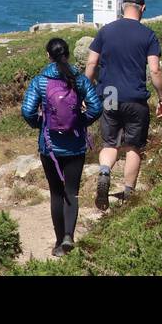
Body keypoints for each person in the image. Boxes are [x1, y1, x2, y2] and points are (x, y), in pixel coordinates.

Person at [85, 0, 162, 210]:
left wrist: (85, 91)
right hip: (134, 97)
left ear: (122, 7)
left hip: (109, 94)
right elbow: (155, 70)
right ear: (143, 8)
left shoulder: (106, 31)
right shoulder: (148, 35)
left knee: (110, 143)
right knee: (132, 146)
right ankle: (129, 193)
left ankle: (104, 171)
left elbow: (92, 64)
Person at [21, 37, 103, 256]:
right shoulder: (79, 79)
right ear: (67, 54)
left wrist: (42, 125)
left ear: (48, 55)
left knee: (56, 194)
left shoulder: (40, 81)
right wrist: (80, 123)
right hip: (75, 146)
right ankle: (69, 236)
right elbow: (96, 107)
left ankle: (59, 244)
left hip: (50, 148)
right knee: (72, 193)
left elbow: (27, 111)